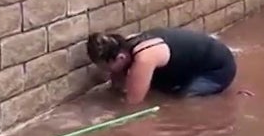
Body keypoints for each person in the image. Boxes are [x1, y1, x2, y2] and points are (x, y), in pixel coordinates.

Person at [87, 29, 237, 105]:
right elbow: (118, 83)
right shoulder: (125, 46)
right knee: (158, 89)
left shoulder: (144, 57)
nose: (107, 73)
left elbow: (133, 103)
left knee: (182, 102)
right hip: (193, 63)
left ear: (120, 57)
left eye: (107, 69)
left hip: (218, 68)